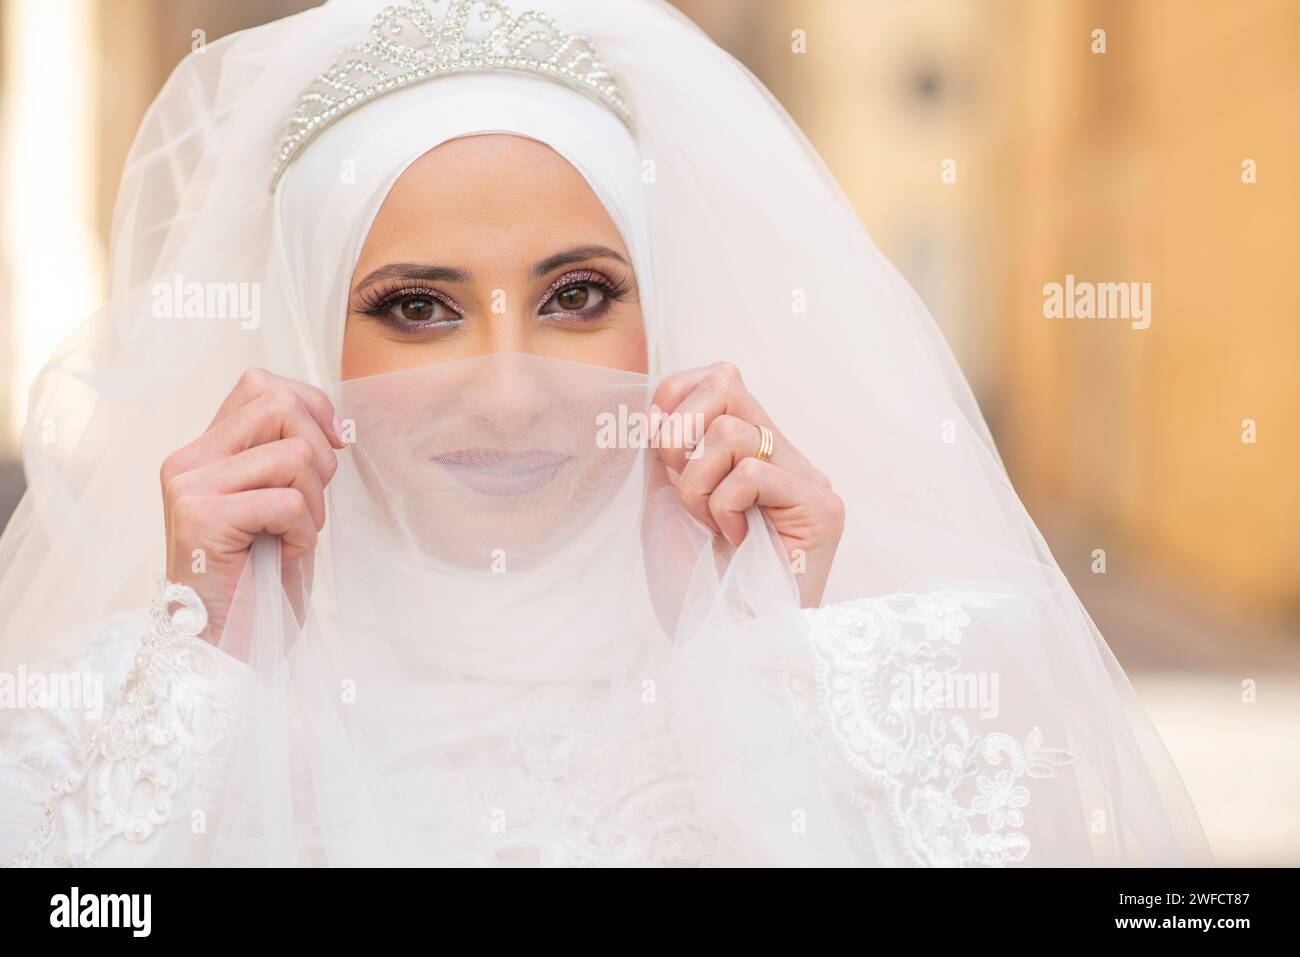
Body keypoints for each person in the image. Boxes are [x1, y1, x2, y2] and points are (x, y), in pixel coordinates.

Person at [0, 0, 1211, 866]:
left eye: (577, 296)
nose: (514, 394)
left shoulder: (903, 694)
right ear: (309, 335)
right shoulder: (94, 730)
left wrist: (764, 660)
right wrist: (201, 681)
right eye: (415, 308)